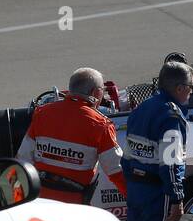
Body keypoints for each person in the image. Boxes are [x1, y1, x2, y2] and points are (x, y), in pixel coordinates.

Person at [123, 59, 193, 221]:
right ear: (180, 89)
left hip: (135, 189)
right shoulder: (171, 117)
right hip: (156, 194)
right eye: (190, 88)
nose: (191, 93)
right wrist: (177, 198)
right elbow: (172, 163)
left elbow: (128, 156)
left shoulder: (141, 109)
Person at [16, 67, 127, 204]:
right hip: (74, 206)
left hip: (39, 203)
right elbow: (116, 171)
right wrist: (136, 200)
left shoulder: (42, 114)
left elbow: (23, 158)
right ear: (96, 92)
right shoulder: (100, 124)